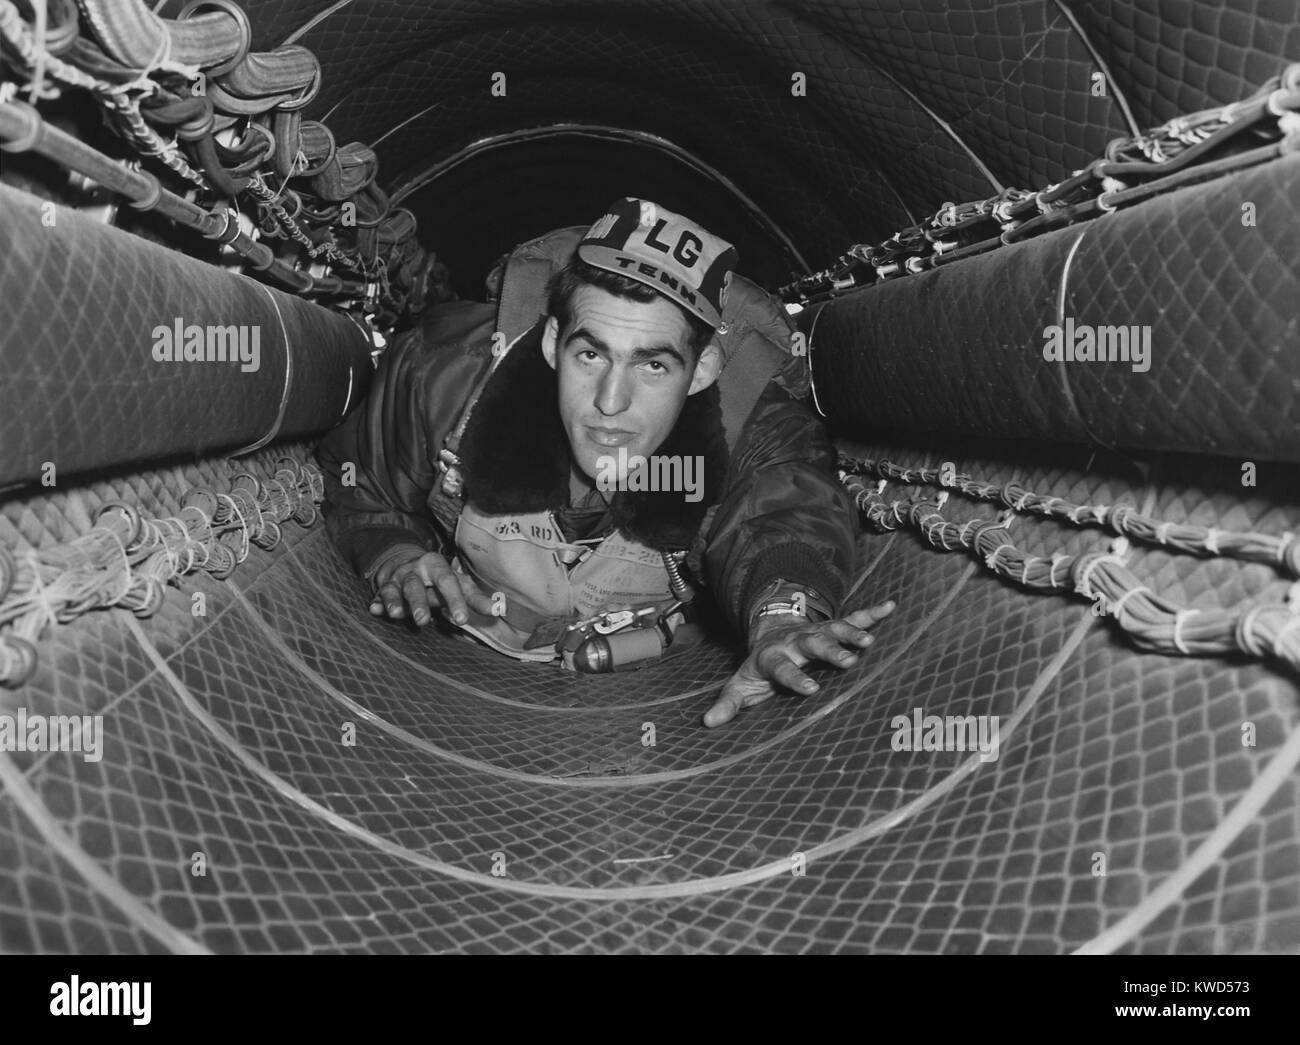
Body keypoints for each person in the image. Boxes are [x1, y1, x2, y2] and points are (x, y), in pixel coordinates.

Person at [317, 198, 895, 727]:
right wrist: (395, 556)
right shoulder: (442, 381)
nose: (610, 403)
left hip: (645, 693)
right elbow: (362, 485)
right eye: (590, 354)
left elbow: (786, 511)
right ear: (551, 344)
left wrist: (783, 615)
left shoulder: (749, 426)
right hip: (458, 669)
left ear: (703, 371)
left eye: (652, 366)